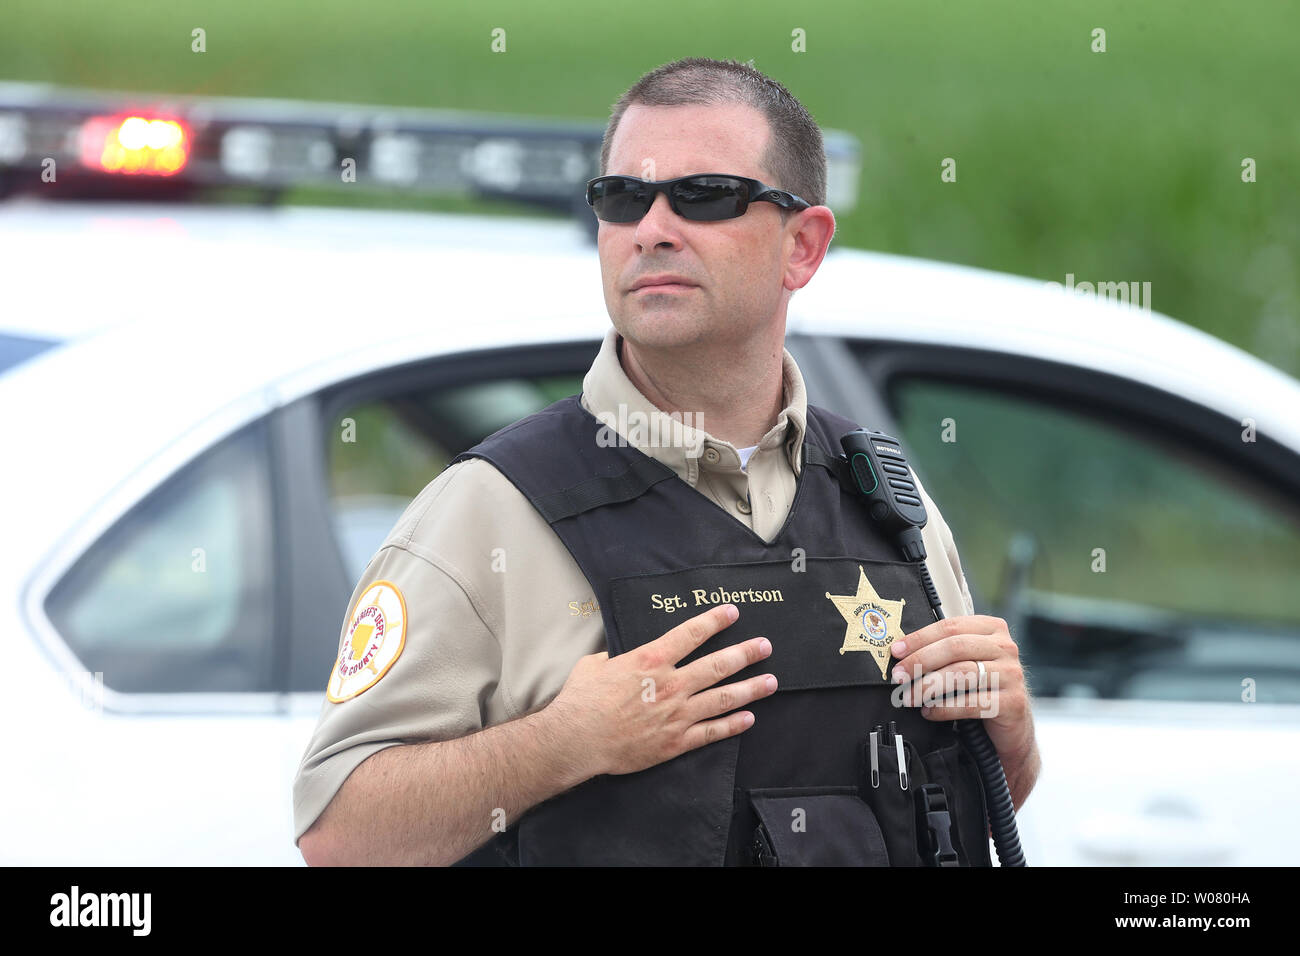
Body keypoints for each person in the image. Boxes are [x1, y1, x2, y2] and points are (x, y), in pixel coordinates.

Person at [293, 56, 1040, 866]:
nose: (652, 226)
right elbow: (343, 836)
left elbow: (953, 809)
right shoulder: (491, 508)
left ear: (803, 245)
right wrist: (563, 743)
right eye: (623, 199)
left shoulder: (884, 501)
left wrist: (1013, 733)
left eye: (704, 195)